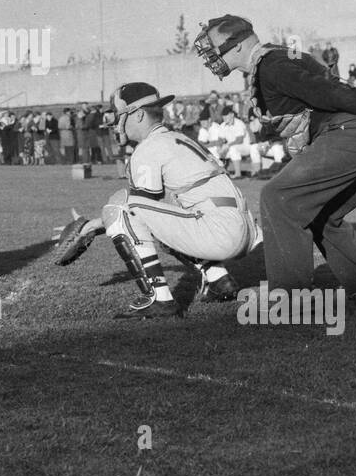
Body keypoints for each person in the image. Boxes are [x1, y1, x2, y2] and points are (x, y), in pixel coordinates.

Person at [193, 15, 356, 301]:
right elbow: (332, 83)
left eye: (214, 47)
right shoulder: (278, 57)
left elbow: (328, 91)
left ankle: (291, 300)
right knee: (322, 214)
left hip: (355, 132)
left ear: (237, 46)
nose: (210, 56)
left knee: (277, 198)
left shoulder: (272, 65)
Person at [52, 82, 259, 317]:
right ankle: (218, 280)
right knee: (156, 214)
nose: (115, 123)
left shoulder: (149, 147)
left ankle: (158, 299)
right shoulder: (178, 138)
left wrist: (91, 226)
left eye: (120, 115)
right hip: (240, 226)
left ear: (138, 114)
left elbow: (133, 209)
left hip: (219, 230)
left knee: (118, 206)